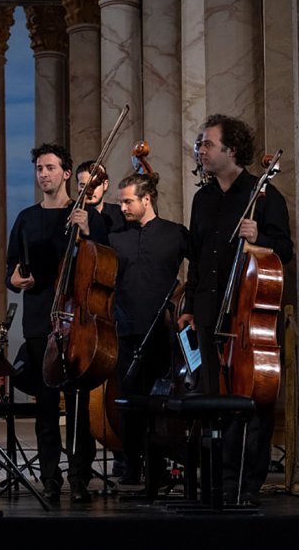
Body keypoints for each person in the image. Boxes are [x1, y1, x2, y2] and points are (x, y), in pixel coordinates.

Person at [178, 114, 292, 505]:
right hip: (209, 311)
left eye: (207, 144)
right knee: (212, 397)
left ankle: (243, 482)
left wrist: (260, 235)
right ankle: (214, 478)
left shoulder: (263, 196)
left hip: (248, 313)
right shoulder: (202, 198)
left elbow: (285, 249)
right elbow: (196, 257)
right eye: (200, 144)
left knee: (249, 401)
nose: (201, 150)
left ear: (231, 150)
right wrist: (190, 306)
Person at [5, 143, 109, 504]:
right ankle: (50, 478)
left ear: (67, 174)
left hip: (78, 322)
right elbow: (12, 268)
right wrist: (14, 280)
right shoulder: (25, 218)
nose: (43, 174)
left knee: (78, 405)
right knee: (46, 406)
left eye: (50, 168)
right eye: (39, 169)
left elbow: (105, 260)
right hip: (40, 321)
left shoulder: (85, 216)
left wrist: (89, 230)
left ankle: (79, 477)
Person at [107, 171, 189, 488]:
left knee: (160, 404)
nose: (123, 208)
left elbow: (202, 270)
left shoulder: (175, 233)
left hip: (163, 331)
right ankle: (130, 469)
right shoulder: (116, 238)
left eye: (128, 201)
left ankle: (159, 469)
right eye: (121, 202)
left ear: (146, 198)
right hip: (125, 329)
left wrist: (184, 300)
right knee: (129, 404)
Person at [78, 159, 125, 232]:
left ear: (105, 185)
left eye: (94, 185)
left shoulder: (120, 214)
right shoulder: (72, 215)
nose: (89, 191)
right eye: (83, 186)